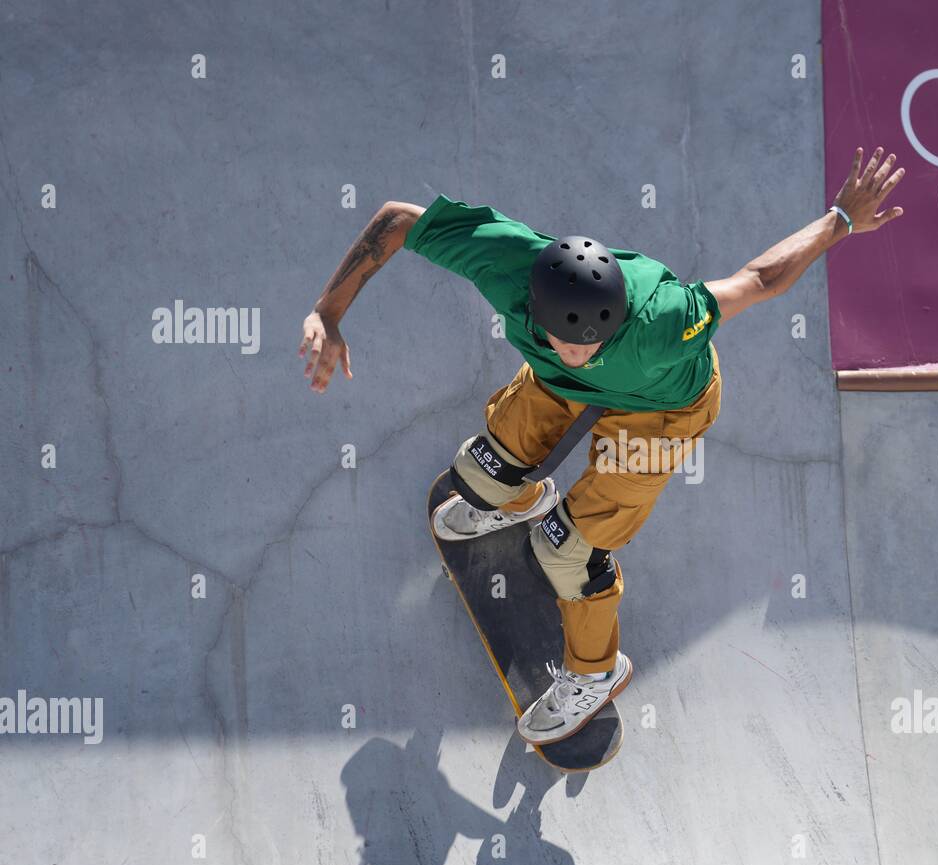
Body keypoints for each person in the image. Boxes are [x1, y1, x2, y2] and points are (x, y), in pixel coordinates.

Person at [299, 146, 905, 747]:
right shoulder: (513, 266)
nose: (583, 352)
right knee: (478, 473)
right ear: (537, 306)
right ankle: (519, 496)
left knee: (564, 552)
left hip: (664, 411)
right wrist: (330, 310)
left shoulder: (663, 320)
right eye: (570, 342)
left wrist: (841, 220)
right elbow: (399, 222)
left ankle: (594, 675)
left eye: (594, 342)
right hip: (559, 390)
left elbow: (760, 279)